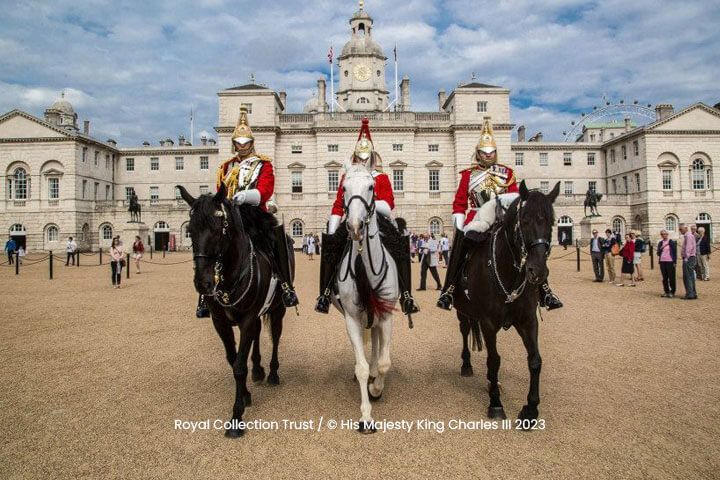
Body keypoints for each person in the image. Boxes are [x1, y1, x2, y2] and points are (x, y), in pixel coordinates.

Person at [437, 117, 562, 311]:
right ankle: (450, 289)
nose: (488, 156)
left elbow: (513, 197)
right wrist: (459, 223)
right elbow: (460, 202)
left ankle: (545, 290)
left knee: (532, 247)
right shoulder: (467, 176)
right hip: (477, 219)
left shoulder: (507, 173)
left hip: (502, 219)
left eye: (491, 152)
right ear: (478, 153)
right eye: (484, 153)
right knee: (459, 249)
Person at [315, 118, 419, 315]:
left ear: (372, 157)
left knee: (399, 245)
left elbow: (388, 205)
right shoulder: (348, 178)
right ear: (355, 157)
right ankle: (325, 293)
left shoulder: (382, 177)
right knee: (332, 247)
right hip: (353, 218)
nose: (363, 161)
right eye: (359, 157)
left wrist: (369, 205)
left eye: (366, 157)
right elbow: (338, 204)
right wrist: (332, 229)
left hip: (378, 221)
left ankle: (406, 295)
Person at [214, 105, 298, 308]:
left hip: (253, 214)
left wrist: (247, 196)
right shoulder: (226, 166)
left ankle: (286, 286)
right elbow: (219, 190)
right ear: (234, 143)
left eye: (246, 142)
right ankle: (205, 295)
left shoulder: (263, 164)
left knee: (277, 239)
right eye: (238, 142)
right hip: (229, 215)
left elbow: (266, 189)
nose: (242, 146)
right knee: (208, 244)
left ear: (252, 143)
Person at [679, 223, 698, 299]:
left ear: (686, 228)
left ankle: (690, 294)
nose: (680, 231)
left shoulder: (689, 236)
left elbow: (689, 248)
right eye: (679, 229)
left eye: (681, 229)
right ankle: (693, 293)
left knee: (687, 277)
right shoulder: (689, 236)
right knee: (691, 276)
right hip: (690, 258)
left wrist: (686, 258)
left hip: (689, 258)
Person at [657, 229, 677, 298]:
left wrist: (675, 262)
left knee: (671, 277)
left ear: (667, 235)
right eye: (662, 234)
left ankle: (672, 291)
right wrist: (661, 248)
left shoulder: (671, 242)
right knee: (664, 278)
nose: (664, 235)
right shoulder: (660, 243)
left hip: (670, 261)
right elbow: (658, 253)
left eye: (665, 234)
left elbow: (674, 252)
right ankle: (666, 291)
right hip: (662, 261)